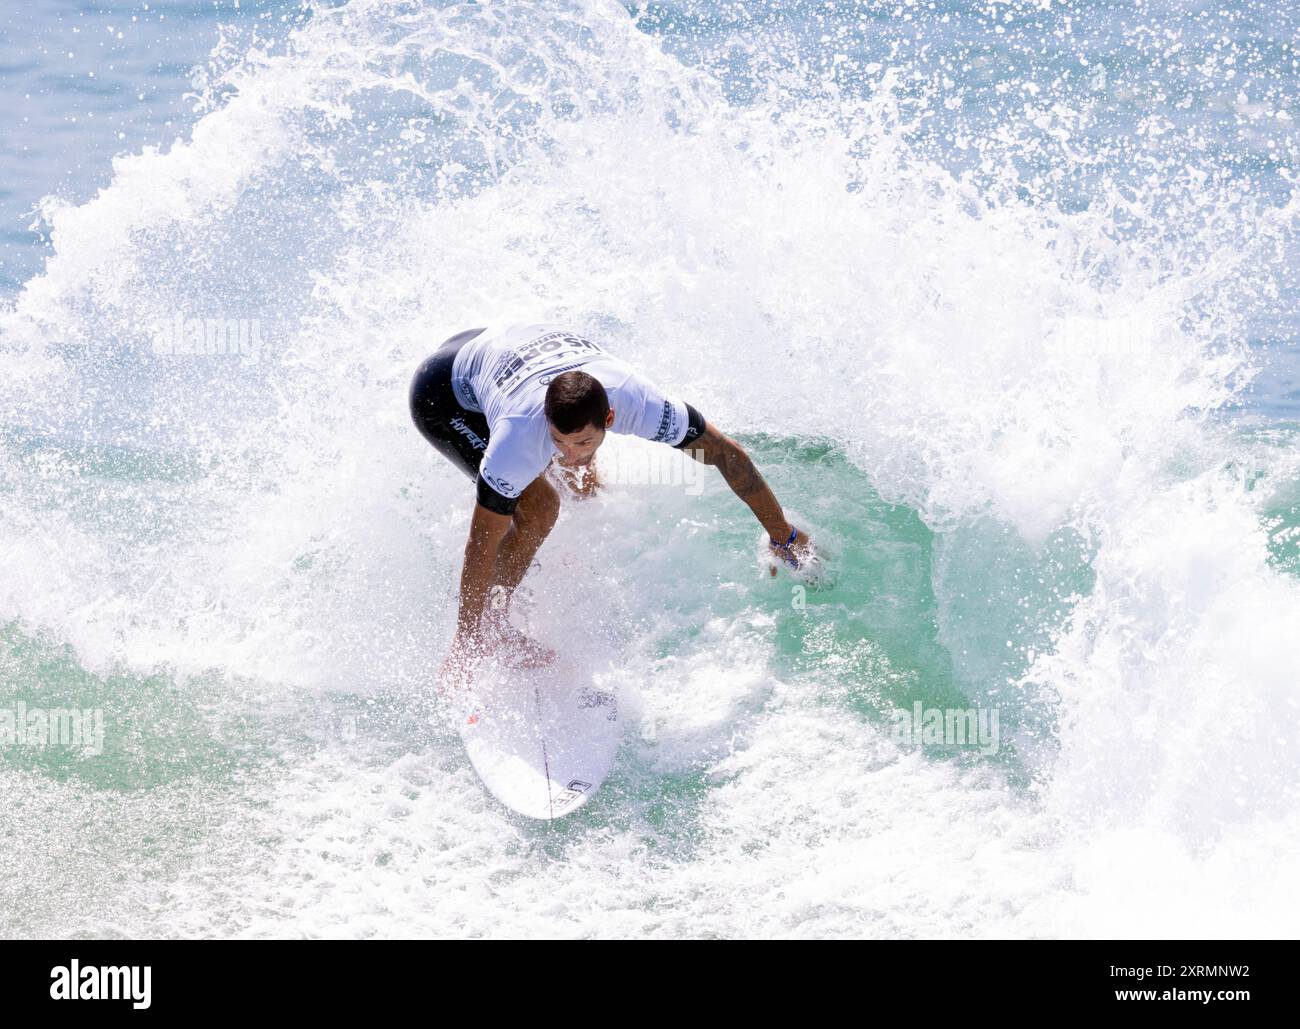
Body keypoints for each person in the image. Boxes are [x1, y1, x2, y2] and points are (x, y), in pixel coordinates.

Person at [409, 323, 815, 691]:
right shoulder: (519, 436)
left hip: (502, 350)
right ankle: (493, 629)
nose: (568, 455)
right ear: (545, 420)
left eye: (583, 442)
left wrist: (784, 535)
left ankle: (513, 578)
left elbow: (726, 455)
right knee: (542, 505)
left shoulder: (644, 403)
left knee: (584, 484)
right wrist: (465, 642)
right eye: (559, 442)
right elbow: (480, 542)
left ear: (611, 417)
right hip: (444, 393)